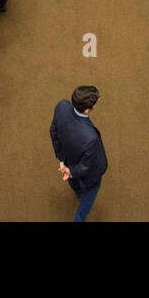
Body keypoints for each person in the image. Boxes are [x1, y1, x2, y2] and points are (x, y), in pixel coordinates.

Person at [50, 85, 109, 222]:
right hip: (84, 171)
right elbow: (87, 165)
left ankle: (77, 191)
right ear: (87, 110)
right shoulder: (90, 138)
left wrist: (62, 159)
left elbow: (53, 131)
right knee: (90, 191)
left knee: (73, 180)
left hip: (68, 159)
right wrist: (71, 170)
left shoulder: (62, 106)